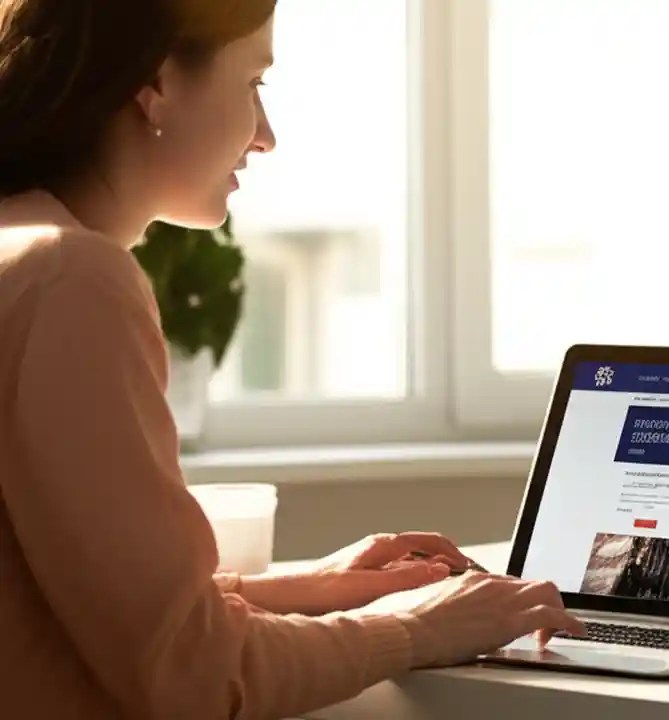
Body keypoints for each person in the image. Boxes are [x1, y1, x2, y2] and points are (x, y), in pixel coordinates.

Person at [0, 1, 584, 717]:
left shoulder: (19, 249)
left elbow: (50, 609)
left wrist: (310, 587)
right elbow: (195, 675)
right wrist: (421, 628)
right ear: (155, 84)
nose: (266, 137)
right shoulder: (71, 280)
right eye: (254, 86)